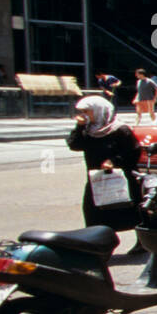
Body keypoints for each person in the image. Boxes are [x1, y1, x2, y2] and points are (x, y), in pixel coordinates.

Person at [66, 96, 143, 244]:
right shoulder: (88, 131)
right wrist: (79, 126)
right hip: (96, 178)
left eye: (87, 111)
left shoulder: (120, 129)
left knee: (129, 212)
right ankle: (98, 243)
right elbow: (74, 145)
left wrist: (114, 161)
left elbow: (134, 151)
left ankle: (142, 243)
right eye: (81, 112)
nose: (83, 115)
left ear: (98, 110)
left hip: (121, 178)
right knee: (94, 213)